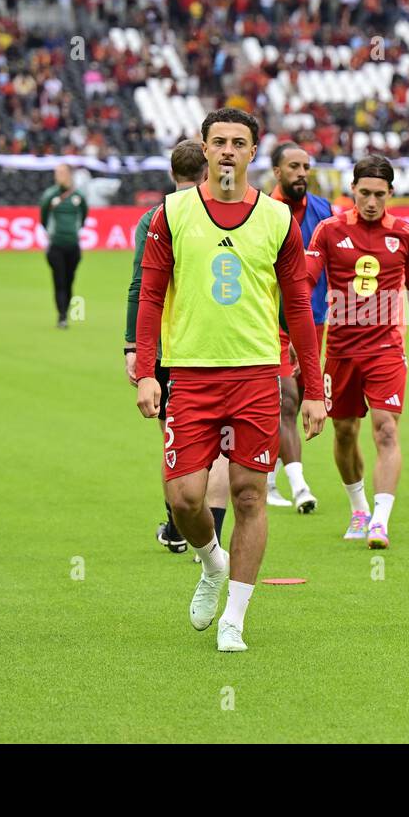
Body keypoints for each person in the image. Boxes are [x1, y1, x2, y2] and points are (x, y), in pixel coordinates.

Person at [134, 108, 326, 652]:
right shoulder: (170, 214)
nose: (226, 151)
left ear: (251, 153)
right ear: (204, 146)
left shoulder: (277, 221)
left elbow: (299, 310)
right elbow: (150, 297)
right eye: (218, 142)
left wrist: (313, 389)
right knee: (185, 498)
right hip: (191, 375)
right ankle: (212, 562)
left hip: (257, 375)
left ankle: (234, 619)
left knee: (248, 495)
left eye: (238, 143)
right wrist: (146, 372)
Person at [304, 154, 409, 549]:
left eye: (380, 194)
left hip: (385, 349)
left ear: (391, 193)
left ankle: (380, 519)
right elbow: (307, 281)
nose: (372, 202)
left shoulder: (405, 235)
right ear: (352, 191)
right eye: (365, 193)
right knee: (345, 433)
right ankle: (358, 507)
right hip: (341, 350)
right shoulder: (328, 231)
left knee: (386, 429)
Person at [123, 139, 230, 555]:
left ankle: (177, 526)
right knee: (223, 446)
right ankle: (212, 532)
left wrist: (133, 347)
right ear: (206, 173)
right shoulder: (223, 213)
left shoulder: (156, 216)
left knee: (173, 437)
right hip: (221, 343)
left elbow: (141, 286)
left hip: (169, 345)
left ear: (171, 174)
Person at [265, 141, 332, 512]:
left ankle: (271, 479)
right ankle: (300, 486)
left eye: (305, 166)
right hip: (274, 323)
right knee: (286, 401)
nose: (302, 173)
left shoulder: (323, 211)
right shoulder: (262, 212)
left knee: (308, 402)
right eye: (293, 167)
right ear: (277, 172)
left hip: (317, 321)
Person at [39, 163, 87, 328]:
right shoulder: (50, 195)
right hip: (56, 246)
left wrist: (73, 232)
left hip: (73, 245)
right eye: (57, 173)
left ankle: (64, 313)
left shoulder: (78, 196)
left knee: (69, 280)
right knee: (59, 280)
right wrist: (53, 234)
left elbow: (84, 215)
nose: (58, 175)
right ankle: (62, 316)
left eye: (62, 172)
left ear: (69, 174)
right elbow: (43, 217)